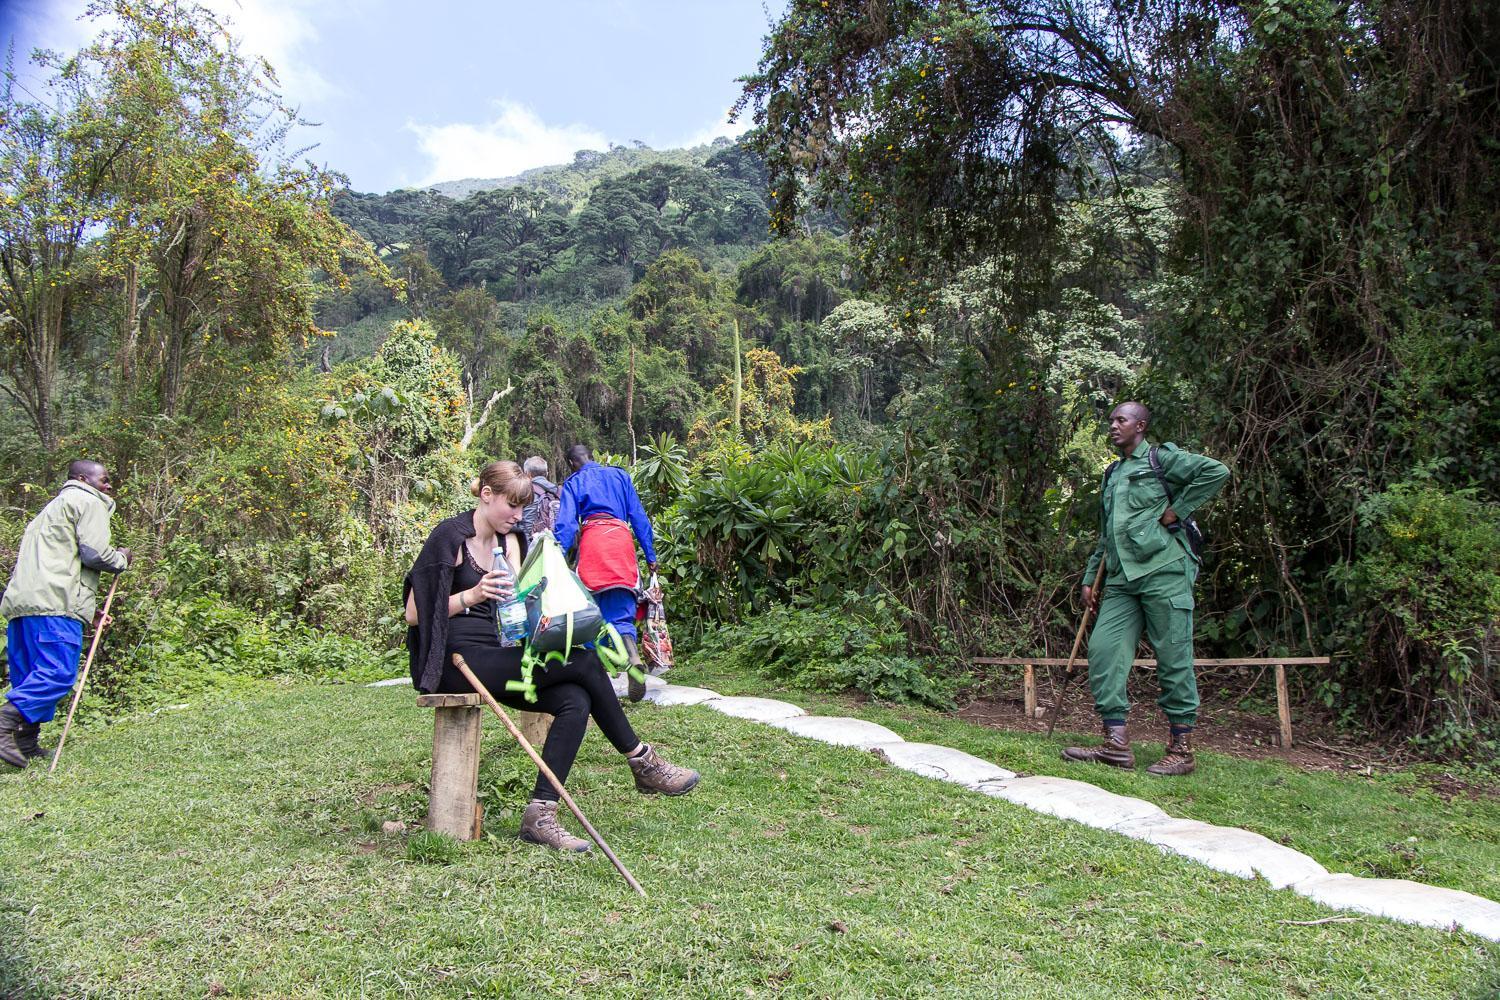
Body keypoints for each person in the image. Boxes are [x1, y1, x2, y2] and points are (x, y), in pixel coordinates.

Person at [404, 460, 698, 852]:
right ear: (487, 496)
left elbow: (522, 603)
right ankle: (642, 760)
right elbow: (414, 613)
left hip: (500, 656)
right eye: (511, 505)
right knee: (585, 661)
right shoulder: (451, 537)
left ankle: (540, 815)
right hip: (456, 663)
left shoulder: (512, 542)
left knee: (574, 700)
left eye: (523, 507)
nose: (517, 515)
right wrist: (473, 595)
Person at [1062, 403, 1229, 776]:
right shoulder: (1112, 474)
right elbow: (1107, 534)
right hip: (1121, 578)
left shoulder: (1160, 459)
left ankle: (1181, 748)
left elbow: (1215, 471)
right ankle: (1116, 745)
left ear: (1141, 425)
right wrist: (1092, 577)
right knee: (1104, 651)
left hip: (1164, 570)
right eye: (1111, 421)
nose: (1113, 426)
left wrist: (1178, 510)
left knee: (1173, 658)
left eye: (1121, 420)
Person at [0, 460, 133, 769]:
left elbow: (59, 564)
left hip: (24, 605)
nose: (109, 485)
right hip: (53, 606)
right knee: (57, 673)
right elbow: (94, 554)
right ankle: (5, 723)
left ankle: (25, 743)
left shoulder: (48, 511)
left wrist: (89, 609)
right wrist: (121, 559)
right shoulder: (88, 501)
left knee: (30, 675)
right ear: (82, 478)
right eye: (105, 479)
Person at [553, 444, 657, 702]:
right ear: (592, 456)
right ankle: (633, 658)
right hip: (621, 544)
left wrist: (555, 555)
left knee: (591, 616)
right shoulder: (620, 476)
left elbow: (566, 525)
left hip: (593, 546)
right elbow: (639, 517)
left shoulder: (574, 482)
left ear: (571, 463)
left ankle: (599, 679)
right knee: (623, 614)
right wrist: (651, 556)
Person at [519, 455, 560, 545]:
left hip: (531, 545)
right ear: (546, 474)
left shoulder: (525, 491)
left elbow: (525, 525)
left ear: (527, 474)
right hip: (555, 545)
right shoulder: (559, 492)